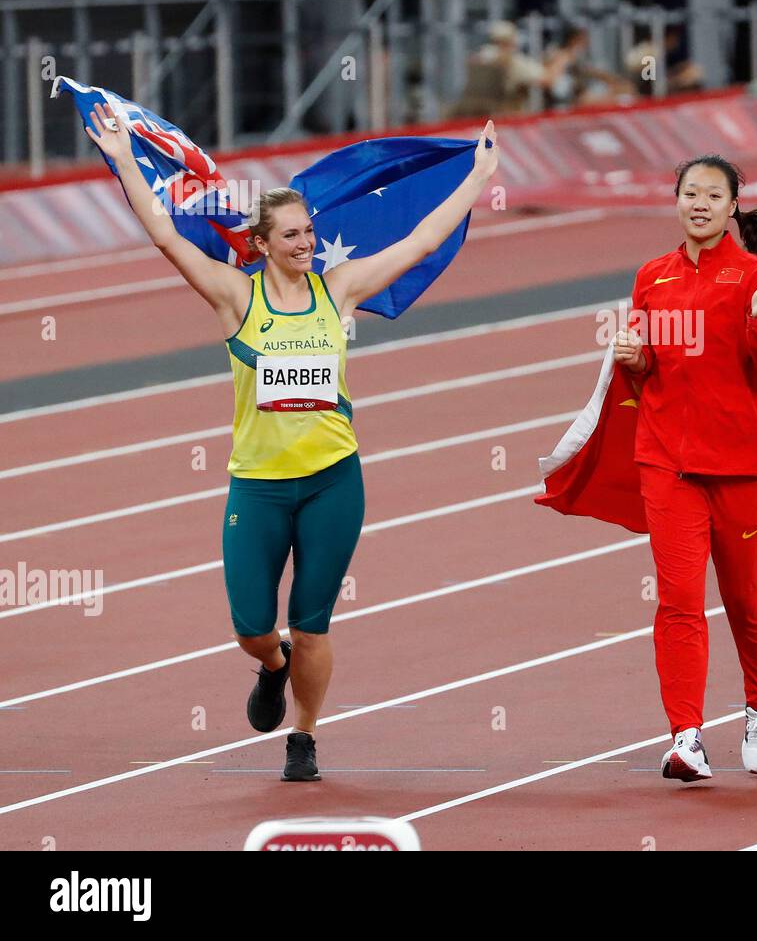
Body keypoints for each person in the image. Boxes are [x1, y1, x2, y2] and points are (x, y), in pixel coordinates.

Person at [84, 102, 499, 783]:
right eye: (292, 235)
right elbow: (165, 237)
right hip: (259, 483)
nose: (307, 243)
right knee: (252, 624)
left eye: (311, 232)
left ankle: (304, 735)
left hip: (334, 478)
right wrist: (127, 158)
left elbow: (421, 241)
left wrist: (478, 177)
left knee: (314, 623)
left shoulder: (337, 292)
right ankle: (270, 665)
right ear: (263, 243)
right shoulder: (235, 300)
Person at [537, 157, 757, 783]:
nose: (699, 204)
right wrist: (632, 357)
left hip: (742, 465)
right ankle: (686, 736)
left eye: (713, 196)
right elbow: (645, 371)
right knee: (679, 600)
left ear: (732, 206)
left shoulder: (755, 278)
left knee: (744, 596)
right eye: (690, 193)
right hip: (666, 463)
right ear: (676, 200)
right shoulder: (651, 278)